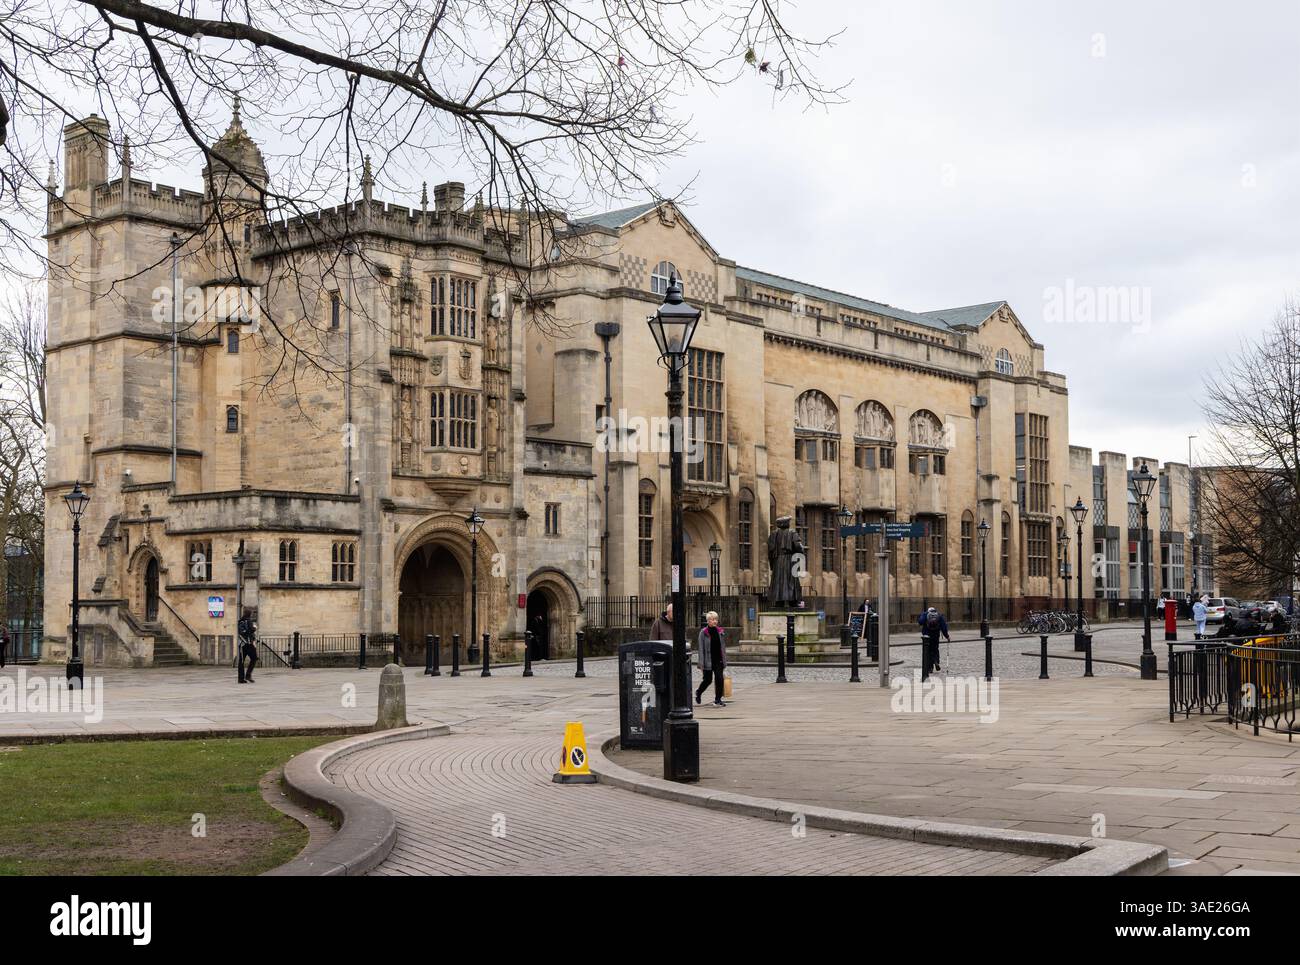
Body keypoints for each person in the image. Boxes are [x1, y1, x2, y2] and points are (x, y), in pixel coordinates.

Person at [694, 611, 727, 707]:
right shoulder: (703, 632)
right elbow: (700, 649)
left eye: (716, 619)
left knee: (719, 679)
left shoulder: (720, 631)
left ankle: (718, 699)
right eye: (712, 619)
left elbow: (723, 647)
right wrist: (701, 664)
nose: (715, 621)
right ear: (708, 621)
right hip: (708, 660)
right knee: (708, 680)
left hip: (718, 660)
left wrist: (724, 661)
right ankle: (699, 692)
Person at [917, 606, 950, 674]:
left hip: (926, 637)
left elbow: (920, 622)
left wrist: (923, 616)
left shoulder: (925, 614)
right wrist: (947, 636)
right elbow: (944, 627)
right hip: (935, 636)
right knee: (935, 649)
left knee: (928, 652)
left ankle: (930, 668)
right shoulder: (939, 615)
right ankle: (936, 661)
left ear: (928, 610)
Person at [238, 608, 258, 683]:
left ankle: (241, 678)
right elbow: (251, 630)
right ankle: (248, 675)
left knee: (241, 662)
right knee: (254, 658)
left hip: (242, 644)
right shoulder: (248, 621)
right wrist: (254, 628)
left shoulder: (240, 621)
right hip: (247, 643)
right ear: (249, 614)